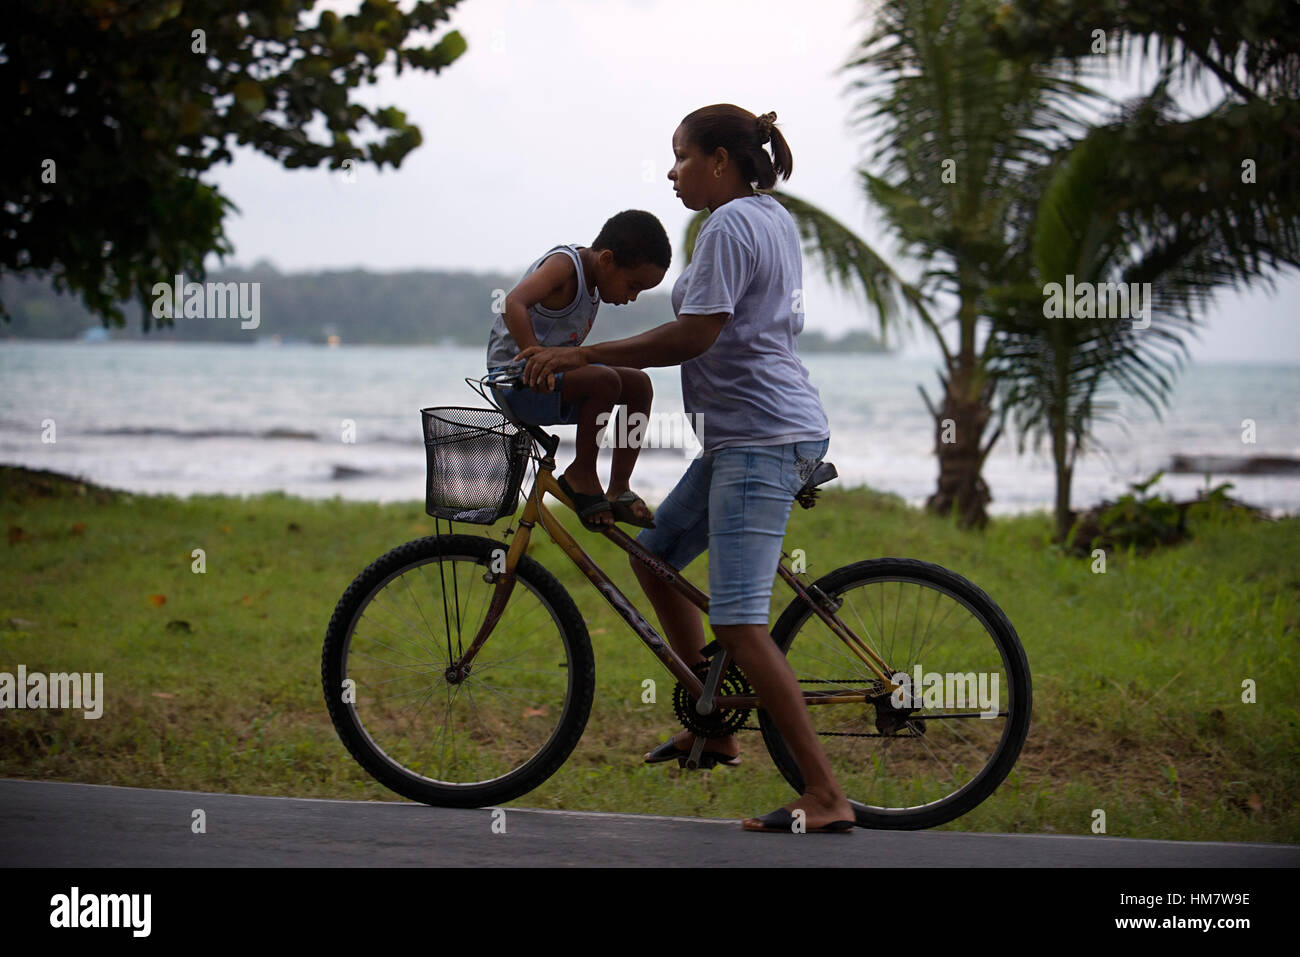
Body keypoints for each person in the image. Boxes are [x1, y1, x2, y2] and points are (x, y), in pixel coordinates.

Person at [516, 105, 855, 833]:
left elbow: (698, 334)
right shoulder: (769, 217)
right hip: (748, 435)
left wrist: (584, 354)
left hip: (759, 436)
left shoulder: (731, 225)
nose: (671, 172)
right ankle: (714, 718)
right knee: (657, 553)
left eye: (680, 157)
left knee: (737, 620)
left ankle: (825, 793)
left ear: (721, 161)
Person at [488, 210, 670, 528]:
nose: (632, 297)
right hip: (517, 381)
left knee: (639, 384)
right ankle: (581, 474)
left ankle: (618, 488)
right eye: (632, 285)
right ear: (608, 260)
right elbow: (512, 303)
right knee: (603, 380)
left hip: (555, 381)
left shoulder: (595, 280)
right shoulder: (565, 266)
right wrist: (533, 360)